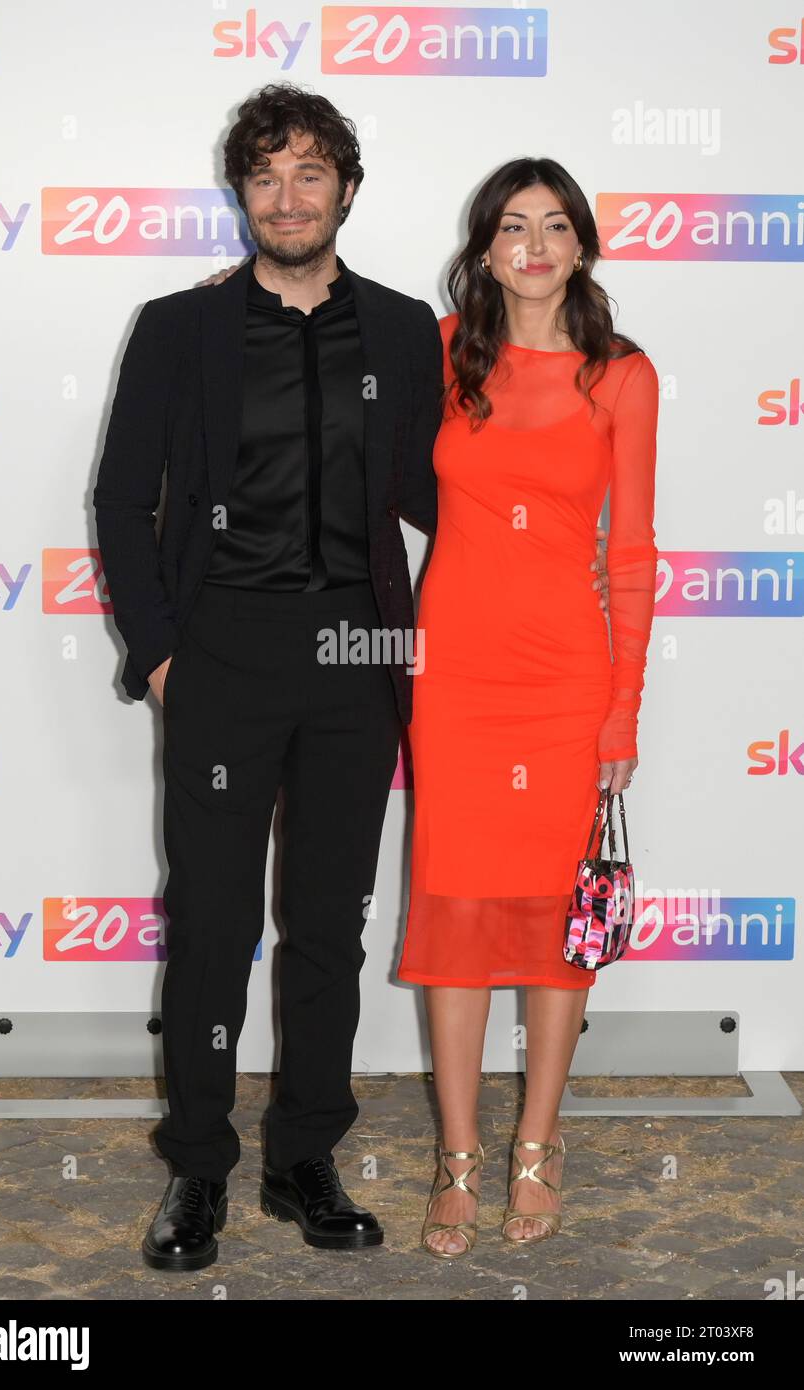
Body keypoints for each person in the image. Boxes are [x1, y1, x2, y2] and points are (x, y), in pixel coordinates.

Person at [93, 81, 609, 1271]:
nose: (287, 195)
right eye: (265, 174)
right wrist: (161, 654)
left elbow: (451, 486)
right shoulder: (181, 327)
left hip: (361, 655)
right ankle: (199, 1172)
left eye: (309, 172)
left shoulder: (397, 334)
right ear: (240, 193)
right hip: (219, 650)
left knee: (326, 919)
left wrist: (561, 519)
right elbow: (125, 501)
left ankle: (303, 1158)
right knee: (212, 923)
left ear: (346, 190)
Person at [395, 158, 660, 1257]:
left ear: (582, 247)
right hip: (450, 677)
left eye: (555, 227)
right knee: (453, 912)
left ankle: (535, 1147)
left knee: (558, 922)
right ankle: (458, 1158)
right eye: (514, 226)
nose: (535, 245)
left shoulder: (620, 375)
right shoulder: (442, 351)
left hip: (563, 682)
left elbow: (633, 557)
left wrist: (619, 715)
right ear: (486, 244)